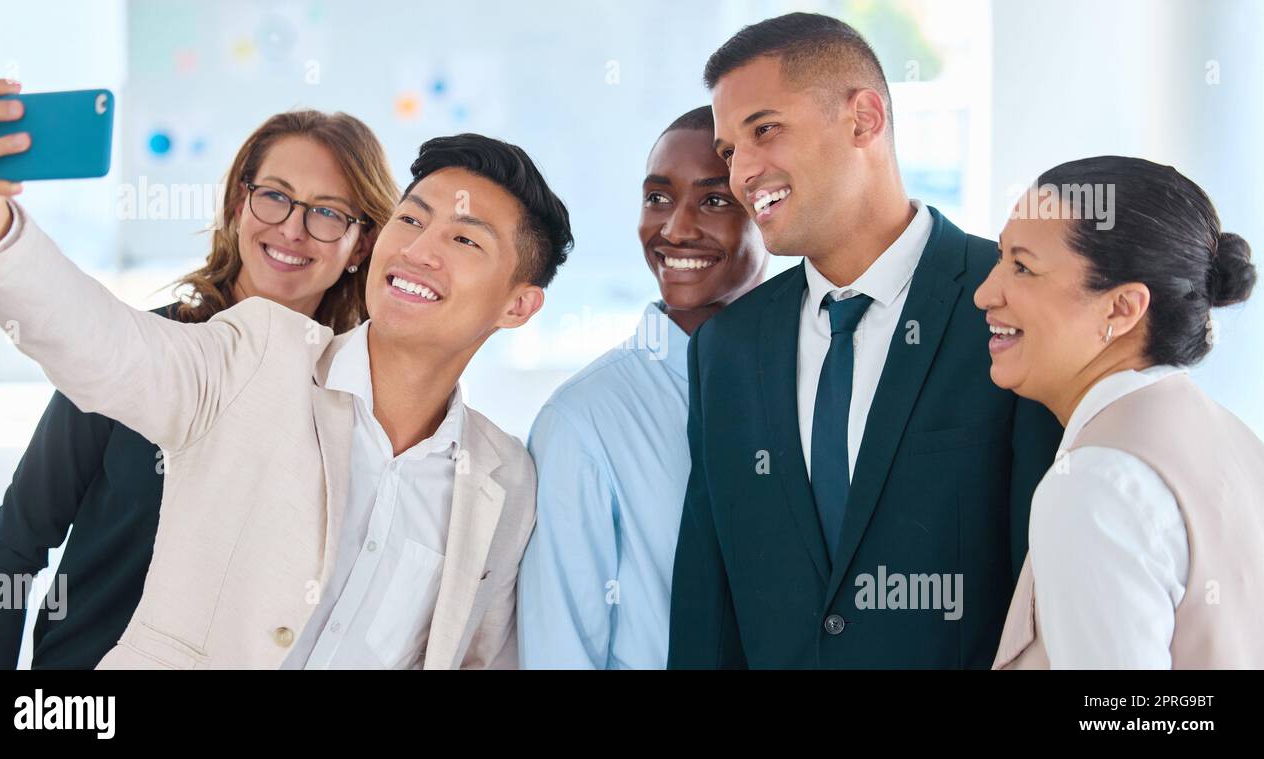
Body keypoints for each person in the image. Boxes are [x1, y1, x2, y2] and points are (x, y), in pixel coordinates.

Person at [0, 78, 574, 669]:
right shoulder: (252, 354)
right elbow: (96, 340)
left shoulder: (505, 481)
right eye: (412, 221)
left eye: (466, 240)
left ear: (518, 305)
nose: (419, 250)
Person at [667, 13, 1061, 669]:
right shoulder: (726, 347)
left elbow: (1042, 586)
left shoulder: (1009, 303)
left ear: (864, 119)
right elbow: (710, 611)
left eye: (764, 129)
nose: (742, 173)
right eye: (731, 151)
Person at [0, 105, 398, 669]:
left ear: (361, 245)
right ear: (239, 205)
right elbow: (13, 550)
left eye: (327, 213)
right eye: (274, 195)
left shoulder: (350, 404)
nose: (292, 227)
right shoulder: (137, 356)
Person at [979, 156, 1264, 669]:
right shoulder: (1238, 443)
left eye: (1023, 266)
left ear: (1121, 308)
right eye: (1001, 258)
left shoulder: (1096, 483)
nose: (985, 292)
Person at [517, 106, 767, 668]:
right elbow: (562, 648)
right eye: (658, 198)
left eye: (715, 200)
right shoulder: (582, 420)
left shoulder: (820, 384)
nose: (675, 228)